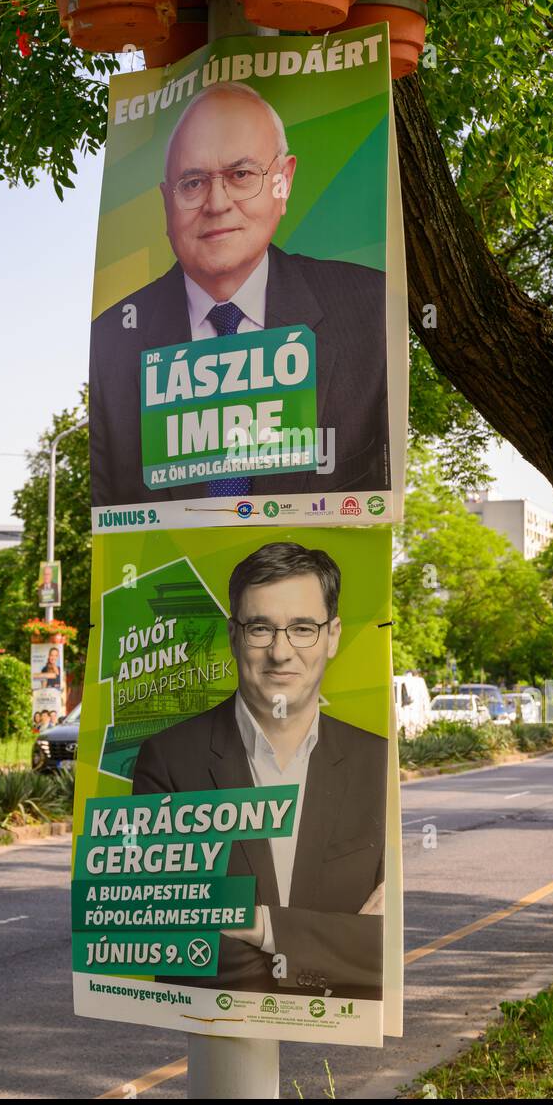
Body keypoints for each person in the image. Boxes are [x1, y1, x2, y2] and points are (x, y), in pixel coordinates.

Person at [90, 82, 390, 505]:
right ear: (166, 203)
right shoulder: (112, 340)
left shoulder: (369, 307)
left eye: (241, 175)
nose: (217, 203)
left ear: (283, 182)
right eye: (192, 183)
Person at [131, 542, 387, 1000]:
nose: (281, 652)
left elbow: (384, 951)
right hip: (222, 1047)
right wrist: (340, 944)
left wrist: (259, 925)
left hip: (338, 1057)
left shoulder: (379, 763)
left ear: (332, 636)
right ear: (233, 636)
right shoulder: (168, 761)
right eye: (260, 628)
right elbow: (173, 952)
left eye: (303, 628)